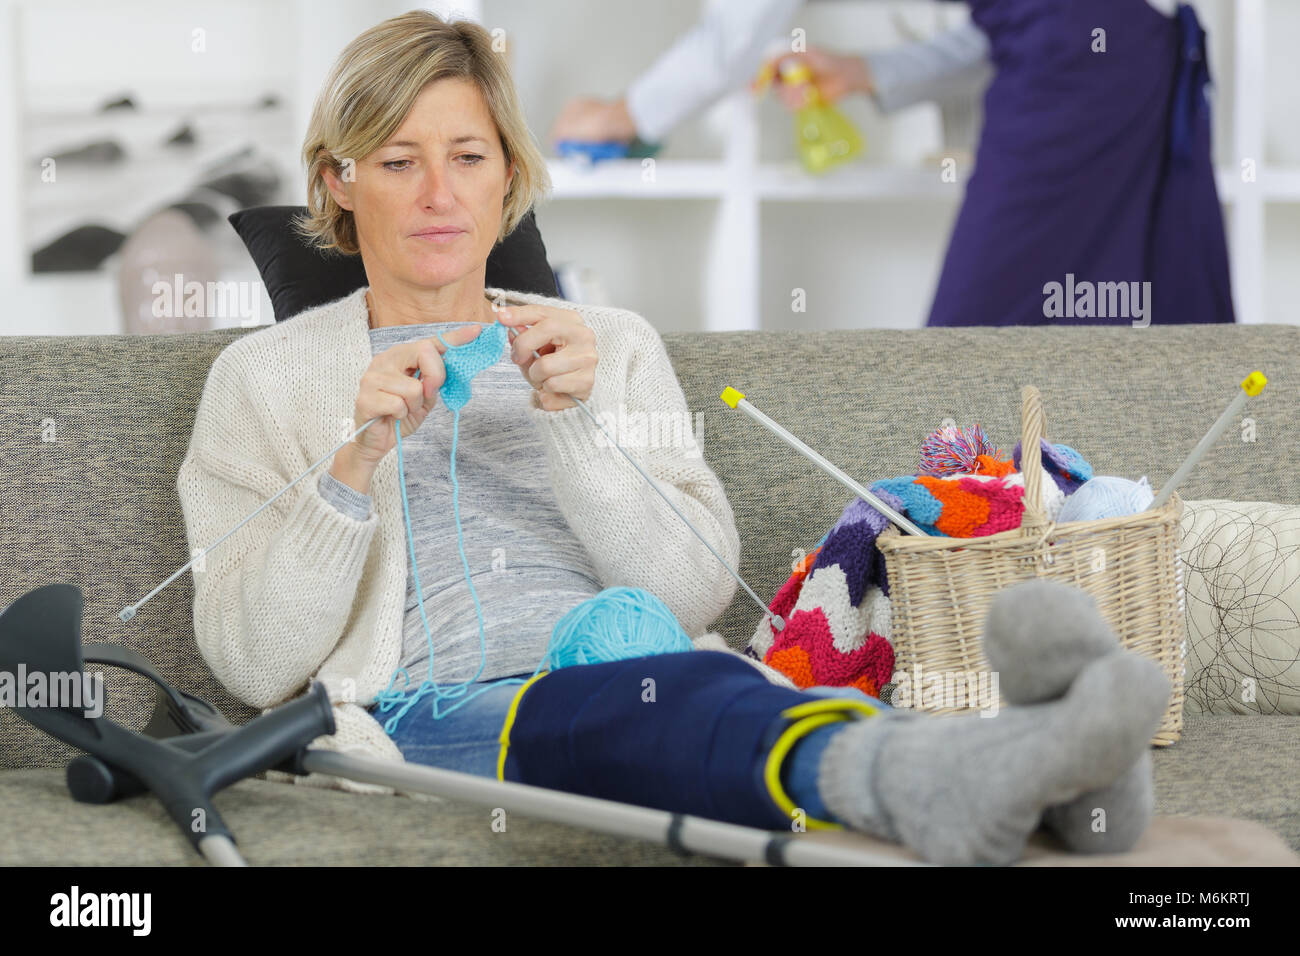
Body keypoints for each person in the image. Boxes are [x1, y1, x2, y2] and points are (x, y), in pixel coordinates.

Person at [177, 9, 1171, 865]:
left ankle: (1055, 787)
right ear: (339, 180)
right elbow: (253, 662)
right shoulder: (264, 380)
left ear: (509, 174)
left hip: (650, 667)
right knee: (637, 707)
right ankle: (996, 769)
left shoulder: (610, 345)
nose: (440, 195)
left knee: (678, 687)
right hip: (427, 713)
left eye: (468, 157)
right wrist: (351, 466)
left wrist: (579, 425)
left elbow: (694, 589)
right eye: (399, 161)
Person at [551, 0, 1234, 328]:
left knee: (970, 353)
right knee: (1117, 334)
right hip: (1128, 51)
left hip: (1087, 72)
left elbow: (744, 23)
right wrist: (871, 71)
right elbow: (1022, 22)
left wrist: (635, 112)